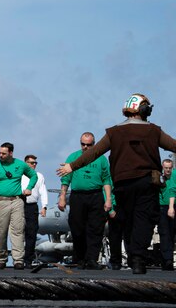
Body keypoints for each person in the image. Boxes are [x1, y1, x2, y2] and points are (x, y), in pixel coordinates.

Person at [58, 94, 176, 274]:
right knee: (144, 221)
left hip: (122, 184)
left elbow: (94, 152)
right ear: (144, 110)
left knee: (128, 221)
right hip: (146, 182)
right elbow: (173, 145)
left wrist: (72, 166)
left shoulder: (113, 132)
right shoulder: (154, 131)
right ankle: (137, 259)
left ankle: (132, 255)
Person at [57, 132, 112, 270]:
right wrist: (62, 197)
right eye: (83, 144)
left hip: (95, 196)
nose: (86, 147)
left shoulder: (101, 159)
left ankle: (92, 259)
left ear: (94, 144)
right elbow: (65, 179)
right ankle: (79, 259)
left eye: (89, 144)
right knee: (77, 228)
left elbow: (106, 180)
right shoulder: (73, 157)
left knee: (95, 229)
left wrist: (108, 199)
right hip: (77, 196)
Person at [0, 142, 37, 269]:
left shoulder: (20, 164)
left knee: (18, 230)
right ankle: (1, 258)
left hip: (17, 200)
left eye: (4, 153)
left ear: (11, 153)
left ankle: (18, 260)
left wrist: (29, 187)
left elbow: (33, 175)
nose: (1, 155)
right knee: (1, 232)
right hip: (1, 201)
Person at [21, 155, 49, 266]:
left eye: (35, 162)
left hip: (32, 206)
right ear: (26, 163)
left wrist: (44, 206)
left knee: (31, 233)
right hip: (19, 204)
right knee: (18, 232)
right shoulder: (19, 175)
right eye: (32, 163)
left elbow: (43, 191)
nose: (34, 164)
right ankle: (18, 258)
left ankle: (28, 259)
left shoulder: (39, 176)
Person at [158, 159, 176, 271]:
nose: (168, 170)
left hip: (172, 205)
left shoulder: (174, 176)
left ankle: (168, 258)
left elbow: (172, 190)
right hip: (162, 207)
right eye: (166, 168)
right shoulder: (159, 176)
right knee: (164, 233)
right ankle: (167, 259)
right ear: (162, 167)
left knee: (172, 232)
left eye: (170, 168)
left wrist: (171, 207)